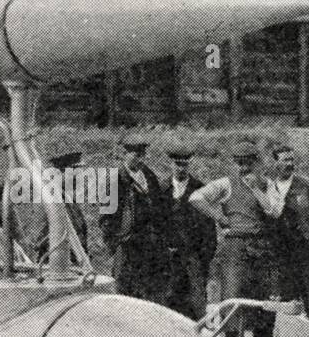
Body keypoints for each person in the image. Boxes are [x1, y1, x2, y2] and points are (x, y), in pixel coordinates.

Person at [189, 140, 285, 337]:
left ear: (257, 163)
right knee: (232, 301)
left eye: (248, 163)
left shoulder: (268, 185)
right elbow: (196, 197)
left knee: (264, 305)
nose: (243, 168)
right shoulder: (226, 184)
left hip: (262, 248)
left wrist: (255, 190)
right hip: (235, 246)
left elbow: (274, 211)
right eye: (239, 164)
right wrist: (218, 217)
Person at [267, 139, 309, 327]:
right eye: (284, 160)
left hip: (307, 255)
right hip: (281, 257)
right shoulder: (268, 188)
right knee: (287, 307)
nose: (289, 164)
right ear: (275, 163)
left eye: (291, 159)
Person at [99, 135, 168, 301]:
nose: (140, 159)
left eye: (142, 155)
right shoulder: (114, 179)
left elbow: (159, 208)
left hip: (150, 245)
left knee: (149, 291)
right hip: (127, 246)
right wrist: (116, 244)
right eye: (136, 155)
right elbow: (105, 219)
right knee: (125, 292)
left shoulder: (149, 176)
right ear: (126, 155)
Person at [163, 143, 216, 320]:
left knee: (196, 306)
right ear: (170, 164)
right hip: (167, 260)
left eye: (184, 164)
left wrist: (202, 260)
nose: (181, 168)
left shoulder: (200, 190)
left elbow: (210, 232)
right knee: (168, 305)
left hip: (193, 259)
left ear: (189, 165)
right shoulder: (161, 189)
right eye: (177, 164)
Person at [32, 135, 89, 264]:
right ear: (62, 172)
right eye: (75, 172)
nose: (79, 177)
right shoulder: (51, 200)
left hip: (75, 267)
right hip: (56, 269)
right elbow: (40, 241)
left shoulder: (68, 197)